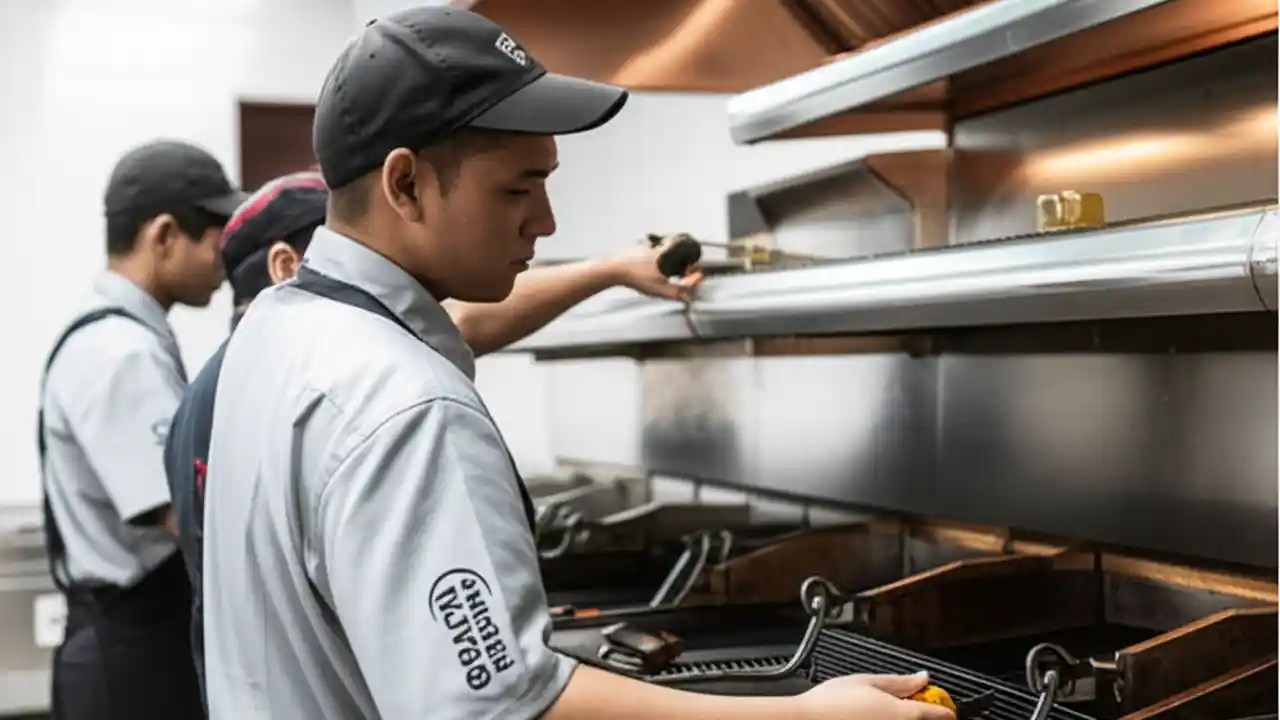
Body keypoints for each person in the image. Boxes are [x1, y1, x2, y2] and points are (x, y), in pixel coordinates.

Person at [200, 7, 953, 720]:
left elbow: (452, 326)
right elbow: (508, 708)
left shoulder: (281, 329)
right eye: (518, 188)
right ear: (405, 185)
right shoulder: (409, 410)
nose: (546, 219)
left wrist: (609, 269)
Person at [163, 169, 696, 710]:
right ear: (287, 268)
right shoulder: (348, 384)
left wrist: (611, 269)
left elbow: (456, 323)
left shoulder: (227, 387)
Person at [37, 139, 246, 719]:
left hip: (134, 640)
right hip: (133, 655)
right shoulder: (121, 353)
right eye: (217, 239)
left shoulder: (121, 337)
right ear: (163, 236)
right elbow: (190, 518)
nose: (224, 261)